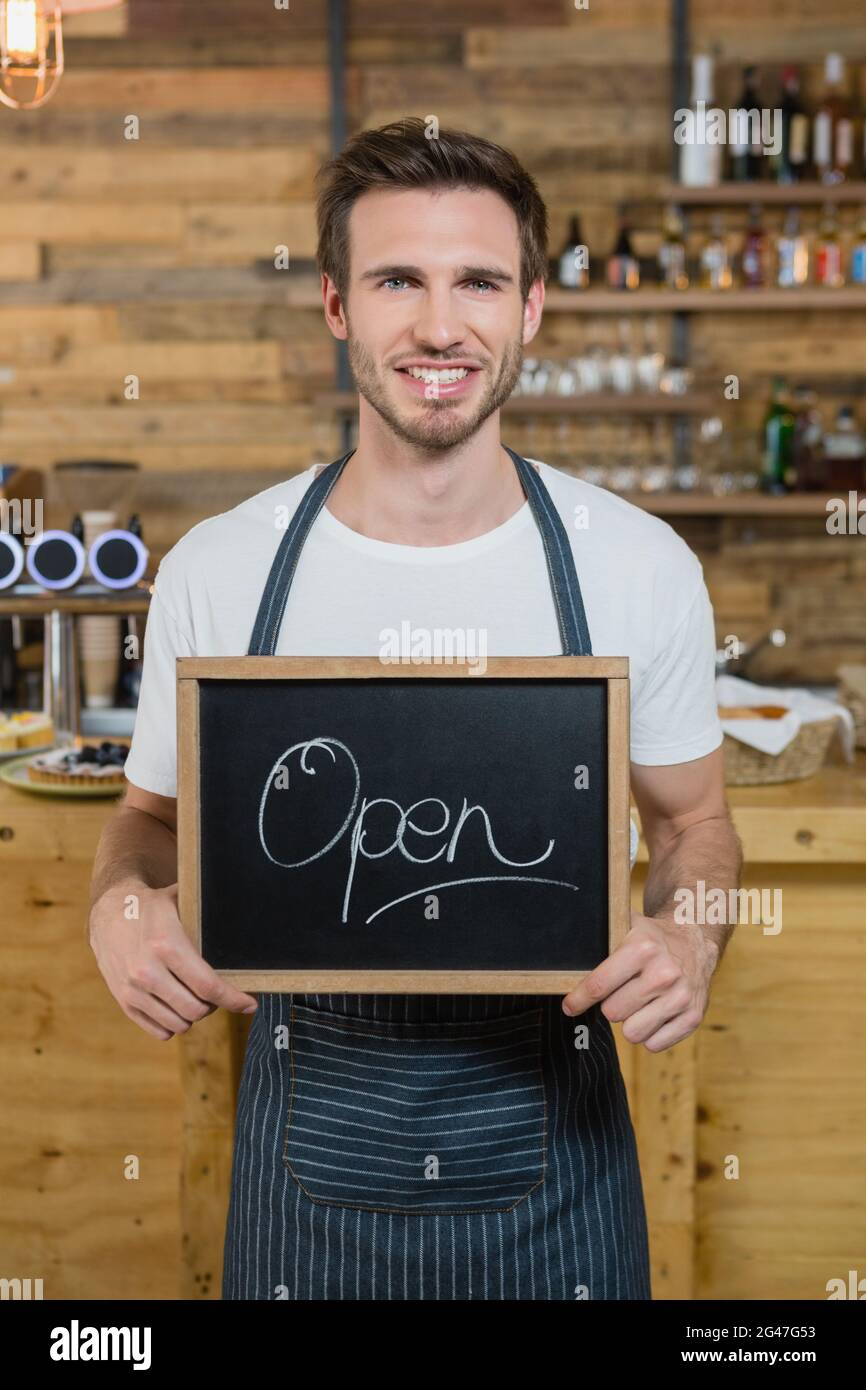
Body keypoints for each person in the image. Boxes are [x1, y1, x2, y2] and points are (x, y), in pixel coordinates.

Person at [88, 118, 742, 1301]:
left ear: (532, 307)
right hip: (304, 1183)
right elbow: (144, 823)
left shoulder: (635, 567)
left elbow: (696, 826)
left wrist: (691, 930)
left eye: (478, 281)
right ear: (336, 304)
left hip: (561, 1180)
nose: (439, 326)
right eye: (398, 279)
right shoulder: (221, 569)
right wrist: (116, 905)